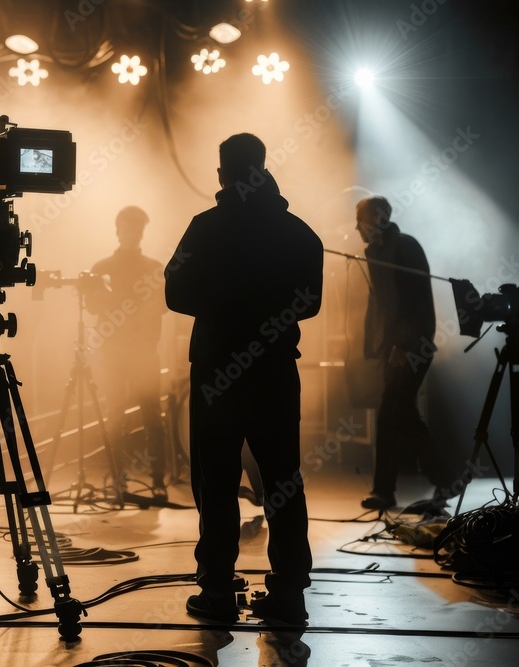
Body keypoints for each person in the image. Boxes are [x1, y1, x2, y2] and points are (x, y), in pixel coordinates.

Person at [165, 133, 322, 626]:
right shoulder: (299, 232)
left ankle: (215, 590)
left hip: (217, 372)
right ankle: (290, 595)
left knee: (216, 481)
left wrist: (224, 305)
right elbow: (310, 303)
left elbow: (175, 293)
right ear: (263, 165)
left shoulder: (204, 228)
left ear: (221, 174)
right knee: (282, 481)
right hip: (275, 371)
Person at [355, 196, 455, 512]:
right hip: (394, 346)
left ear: (375, 219)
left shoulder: (406, 247)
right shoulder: (374, 252)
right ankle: (437, 480)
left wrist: (404, 345)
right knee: (398, 412)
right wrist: (372, 343)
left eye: (359, 218)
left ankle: (392, 489)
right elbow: (378, 300)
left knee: (394, 412)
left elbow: (416, 303)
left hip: (413, 345)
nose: (356, 226)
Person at [85, 206, 167, 494]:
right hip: (121, 353)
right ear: (119, 230)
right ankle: (129, 479)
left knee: (146, 416)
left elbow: (160, 306)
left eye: (137, 229)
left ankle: (145, 479)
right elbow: (93, 307)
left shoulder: (143, 268)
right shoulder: (109, 267)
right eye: (130, 229)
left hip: (135, 352)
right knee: (124, 415)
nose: (133, 234)